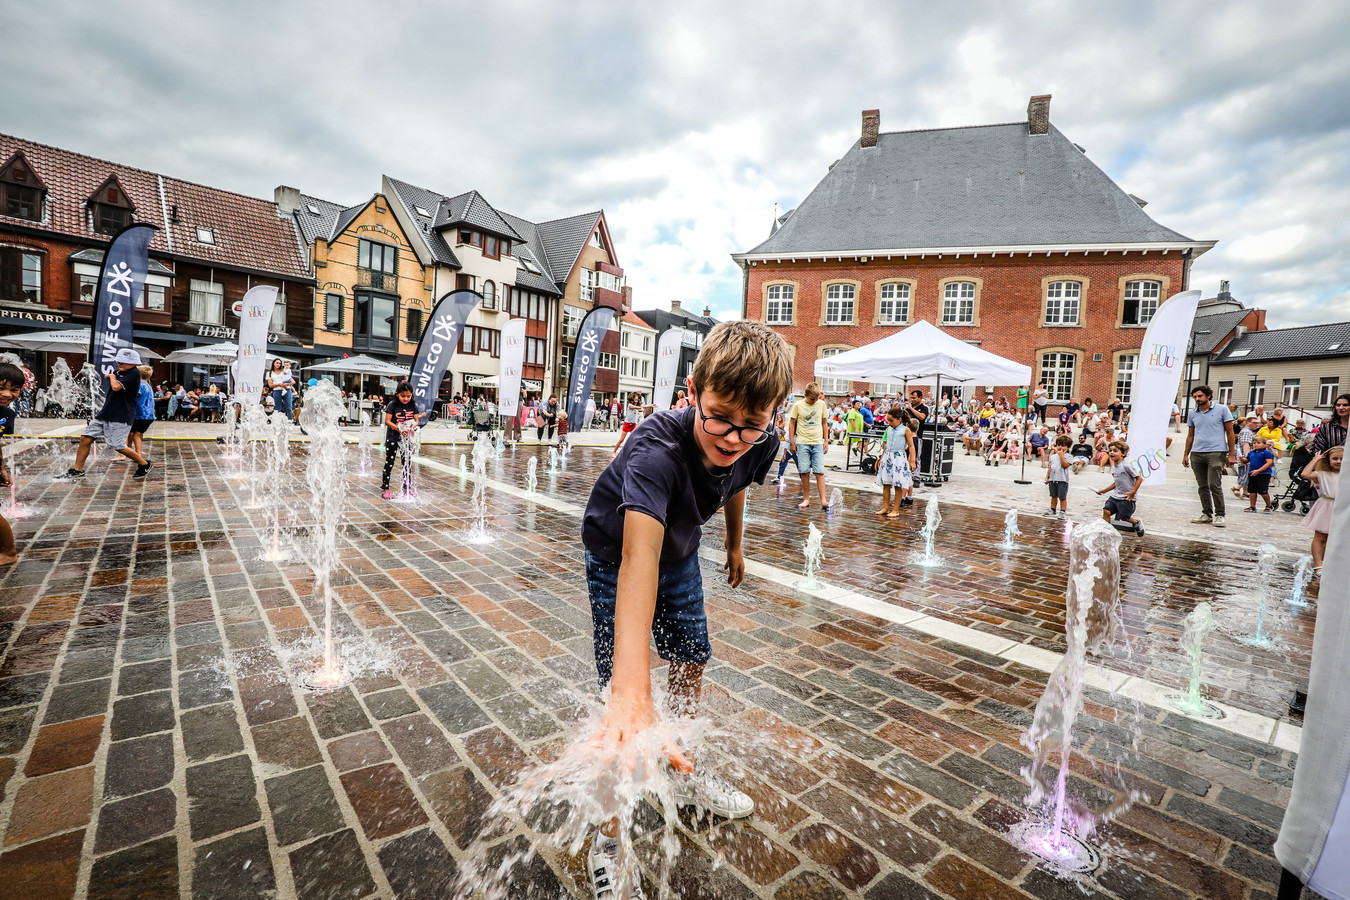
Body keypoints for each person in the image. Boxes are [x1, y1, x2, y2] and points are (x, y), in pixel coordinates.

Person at [580, 322, 790, 893]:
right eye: (719, 417)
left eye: (751, 424)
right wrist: (632, 687)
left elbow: (737, 479)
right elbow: (638, 559)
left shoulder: (760, 438)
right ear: (693, 391)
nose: (733, 437)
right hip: (618, 553)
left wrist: (737, 543)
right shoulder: (656, 449)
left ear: (772, 413)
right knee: (621, 696)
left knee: (691, 655)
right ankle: (608, 836)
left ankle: (684, 769)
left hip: (681, 550)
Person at [66, 349, 152, 479]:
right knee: (85, 438)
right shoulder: (121, 372)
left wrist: (112, 376)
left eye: (123, 361)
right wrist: (114, 375)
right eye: (118, 361)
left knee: (117, 445)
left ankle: (144, 464)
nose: (119, 363)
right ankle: (77, 470)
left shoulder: (134, 374)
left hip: (121, 415)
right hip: (106, 413)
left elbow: (116, 387)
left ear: (133, 362)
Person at [1182, 385, 1237, 526]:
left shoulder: (1222, 409)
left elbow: (1230, 433)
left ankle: (1220, 515)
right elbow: (1190, 435)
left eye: (1200, 396)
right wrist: (1186, 454)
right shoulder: (1192, 413)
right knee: (1202, 486)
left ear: (1208, 396)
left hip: (1216, 452)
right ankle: (1206, 513)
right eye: (1195, 397)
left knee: (1214, 484)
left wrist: (1231, 454)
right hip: (1197, 452)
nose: (1197, 399)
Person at [788, 383, 830, 510]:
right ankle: (806, 499)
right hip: (802, 442)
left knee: (819, 471)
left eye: (816, 398)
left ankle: (823, 500)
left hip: (817, 442)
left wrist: (826, 441)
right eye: (812, 399)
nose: (814, 401)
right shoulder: (798, 405)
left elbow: (824, 423)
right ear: (805, 395)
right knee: (804, 472)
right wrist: (791, 442)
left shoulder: (821, 404)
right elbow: (792, 423)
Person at [1300, 446, 1342, 574]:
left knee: (1335, 538)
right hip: (1327, 506)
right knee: (1320, 537)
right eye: (1335, 458)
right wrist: (1315, 460)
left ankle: (1327, 562)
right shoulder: (1322, 474)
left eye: (1342, 459)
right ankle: (1318, 565)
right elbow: (1305, 474)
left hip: (1342, 508)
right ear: (1328, 460)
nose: (1339, 461)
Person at [381, 381, 421, 499]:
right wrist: (399, 428)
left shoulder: (413, 405)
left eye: (408, 396)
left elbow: (416, 420)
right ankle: (386, 488)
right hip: (393, 438)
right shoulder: (393, 404)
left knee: (407, 463)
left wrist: (411, 427)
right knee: (390, 462)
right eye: (403, 396)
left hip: (406, 439)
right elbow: (387, 421)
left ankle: (407, 488)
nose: (406, 399)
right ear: (397, 394)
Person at [875, 408, 917, 516]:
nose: (889, 422)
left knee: (898, 485)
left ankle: (896, 510)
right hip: (888, 457)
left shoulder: (905, 430)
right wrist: (882, 458)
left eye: (891, 420)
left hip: (898, 458)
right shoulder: (888, 429)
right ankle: (886, 508)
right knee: (886, 483)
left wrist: (912, 461)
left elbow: (911, 446)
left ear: (899, 419)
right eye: (888, 420)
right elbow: (886, 446)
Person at [0, 362, 22, 564]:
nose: (7, 394)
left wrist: (2, 469)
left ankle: (8, 553)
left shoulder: (6, 414)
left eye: (14, 390)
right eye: (1, 387)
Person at [1097, 440, 1144, 535]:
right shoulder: (1114, 467)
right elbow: (1116, 483)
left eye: (1115, 451)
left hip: (1126, 497)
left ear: (1123, 453)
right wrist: (1104, 490)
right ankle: (1107, 532)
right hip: (1115, 496)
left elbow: (1139, 478)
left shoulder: (1126, 466)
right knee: (1106, 511)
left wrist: (1133, 492)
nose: (1112, 453)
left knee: (1124, 517)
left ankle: (1136, 522)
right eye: (1110, 450)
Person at [1243, 436, 1276, 513]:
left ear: (1264, 444)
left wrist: (1259, 470)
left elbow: (1269, 463)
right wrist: (1241, 459)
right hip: (1252, 473)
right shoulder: (1251, 452)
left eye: (1258, 443)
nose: (1256, 444)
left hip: (1264, 474)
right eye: (1254, 443)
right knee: (1252, 491)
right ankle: (1252, 506)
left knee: (1263, 491)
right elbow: (1246, 461)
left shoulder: (1267, 452)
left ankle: (1269, 505)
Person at [130, 364, 155, 458]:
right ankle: (138, 453)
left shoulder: (139, 385)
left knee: (133, 435)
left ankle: (136, 455)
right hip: (149, 415)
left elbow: (134, 396)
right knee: (138, 434)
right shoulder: (148, 386)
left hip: (139, 414)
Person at [1045, 434, 1073, 517]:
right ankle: (1052, 509)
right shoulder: (1053, 457)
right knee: (1053, 495)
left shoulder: (1069, 456)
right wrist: (1047, 476)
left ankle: (1062, 511)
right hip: (1053, 478)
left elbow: (1065, 465)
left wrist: (1061, 456)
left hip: (1062, 479)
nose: (1060, 447)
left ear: (1068, 447)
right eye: (1059, 445)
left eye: (1063, 446)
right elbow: (1051, 467)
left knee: (1062, 496)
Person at [1232, 415, 1259, 498]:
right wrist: (1248, 457)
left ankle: (1245, 491)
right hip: (1245, 457)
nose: (1257, 425)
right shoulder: (1246, 432)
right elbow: (1245, 444)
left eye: (1257, 423)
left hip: (1243, 456)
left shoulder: (1247, 431)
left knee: (1244, 473)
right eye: (1254, 423)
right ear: (1247, 423)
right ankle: (1237, 487)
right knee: (1246, 473)